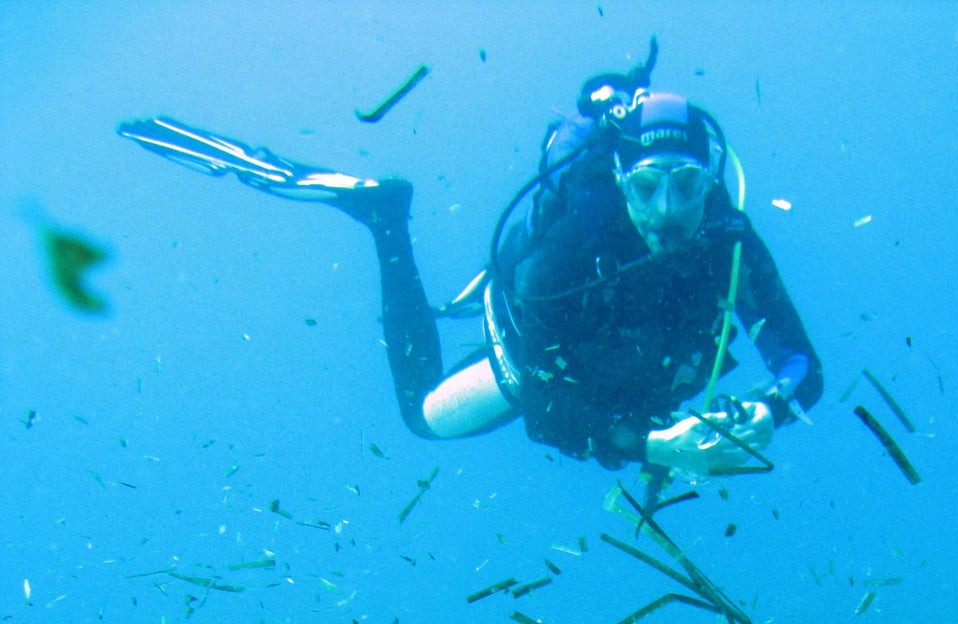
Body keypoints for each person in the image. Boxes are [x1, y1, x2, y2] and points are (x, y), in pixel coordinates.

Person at [119, 49, 822, 479]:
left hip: (637, 374)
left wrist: (770, 408)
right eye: (645, 186)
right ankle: (383, 218)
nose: (667, 208)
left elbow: (799, 362)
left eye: (687, 186)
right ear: (618, 181)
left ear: (713, 182)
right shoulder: (570, 247)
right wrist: (654, 448)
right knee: (423, 416)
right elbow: (547, 414)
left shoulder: (730, 242)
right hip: (540, 350)